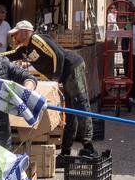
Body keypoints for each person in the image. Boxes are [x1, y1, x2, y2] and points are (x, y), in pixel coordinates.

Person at [6, 21, 94, 159]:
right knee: (70, 111)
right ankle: (66, 150)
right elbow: (9, 55)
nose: (14, 37)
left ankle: (88, 146)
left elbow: (57, 54)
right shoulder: (24, 49)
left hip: (72, 67)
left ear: (25, 32)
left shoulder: (37, 39)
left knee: (80, 104)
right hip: (63, 75)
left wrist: (55, 78)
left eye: (16, 34)